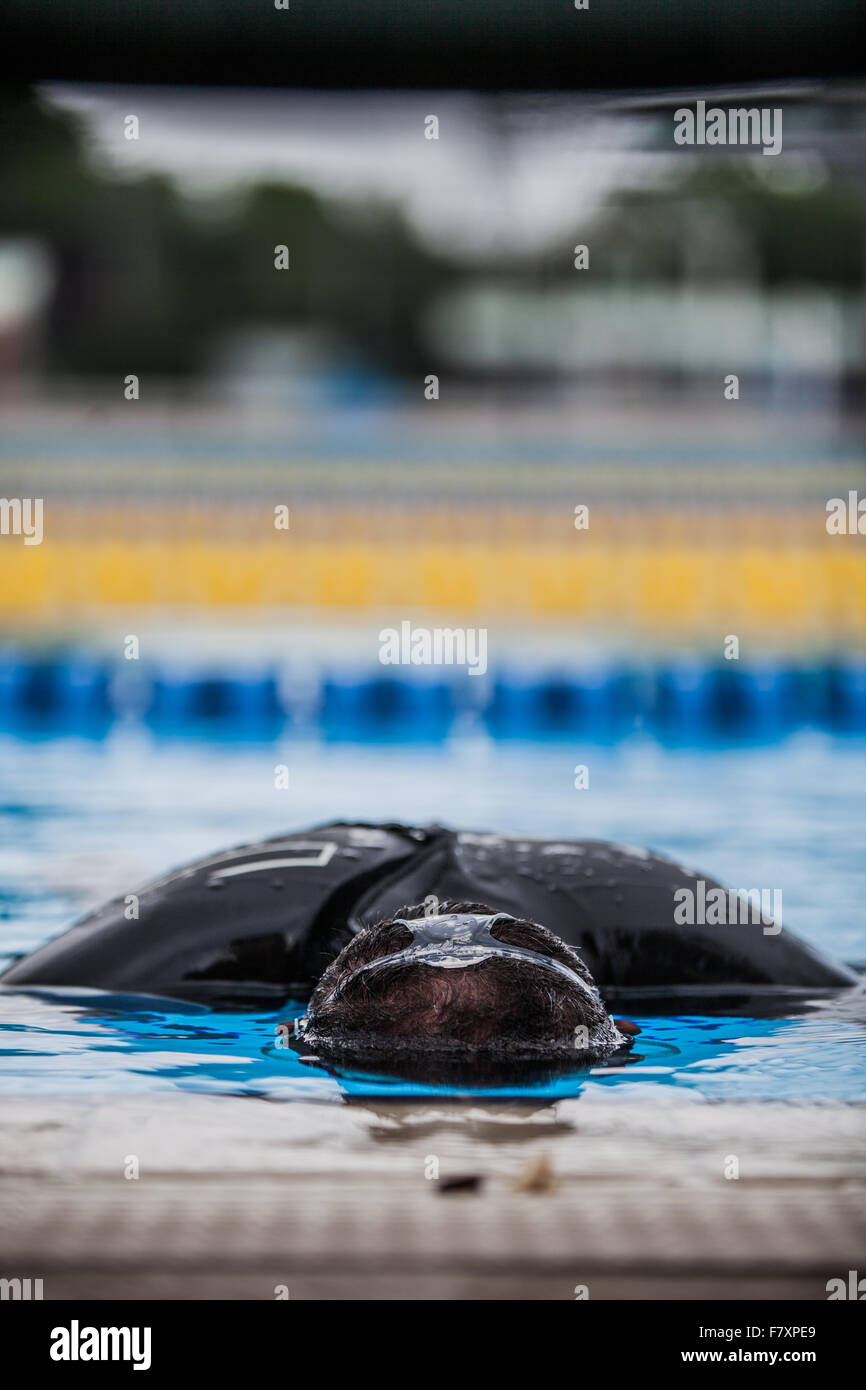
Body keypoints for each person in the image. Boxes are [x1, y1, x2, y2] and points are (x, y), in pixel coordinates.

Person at [2, 822, 856, 1063]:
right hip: (598, 887)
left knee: (93, 879)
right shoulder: (682, 929)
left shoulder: (181, 939)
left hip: (278, 885)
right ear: (622, 1025)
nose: (456, 929)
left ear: (292, 1027)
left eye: (416, 945)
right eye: (500, 941)